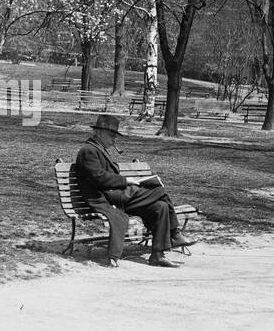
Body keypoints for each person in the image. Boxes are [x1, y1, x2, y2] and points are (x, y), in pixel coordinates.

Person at [75, 114, 195, 268]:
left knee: (161, 207)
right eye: (111, 135)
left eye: (115, 136)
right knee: (159, 190)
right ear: (98, 133)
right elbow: (98, 178)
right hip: (106, 199)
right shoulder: (88, 150)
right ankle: (175, 234)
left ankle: (158, 255)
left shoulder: (99, 149)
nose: (114, 139)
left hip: (115, 196)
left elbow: (104, 177)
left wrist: (127, 182)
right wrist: (126, 181)